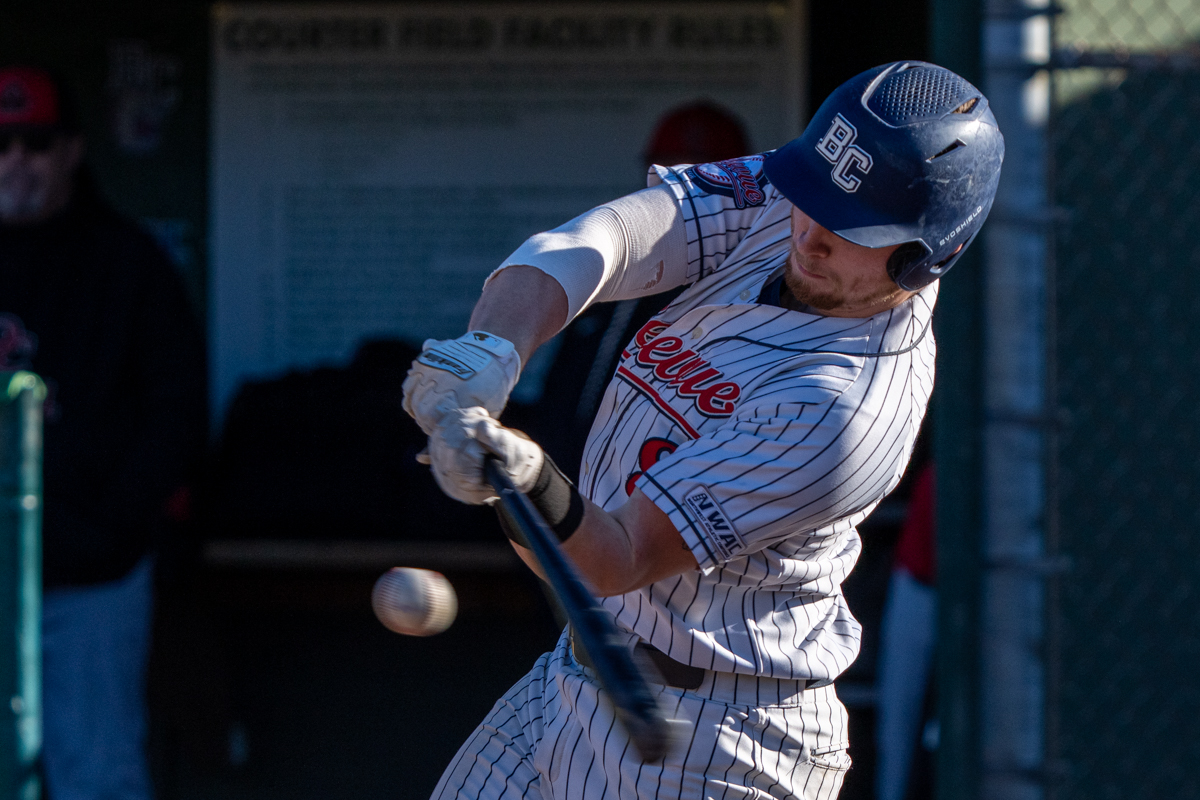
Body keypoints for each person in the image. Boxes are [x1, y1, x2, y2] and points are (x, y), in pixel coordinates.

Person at [402, 61, 1003, 800]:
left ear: (926, 256)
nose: (810, 233)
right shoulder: (793, 202)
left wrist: (520, 479)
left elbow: (613, 557)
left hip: (715, 738)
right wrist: (492, 349)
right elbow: (608, 239)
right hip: (579, 672)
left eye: (852, 227)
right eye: (813, 196)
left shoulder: (845, 408)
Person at [0, 66, 206, 800]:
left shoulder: (125, 263)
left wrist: (111, 525)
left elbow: (176, 410)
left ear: (70, 151)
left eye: (35, 144)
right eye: (2, 145)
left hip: (91, 579)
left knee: (95, 775)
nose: (15, 161)